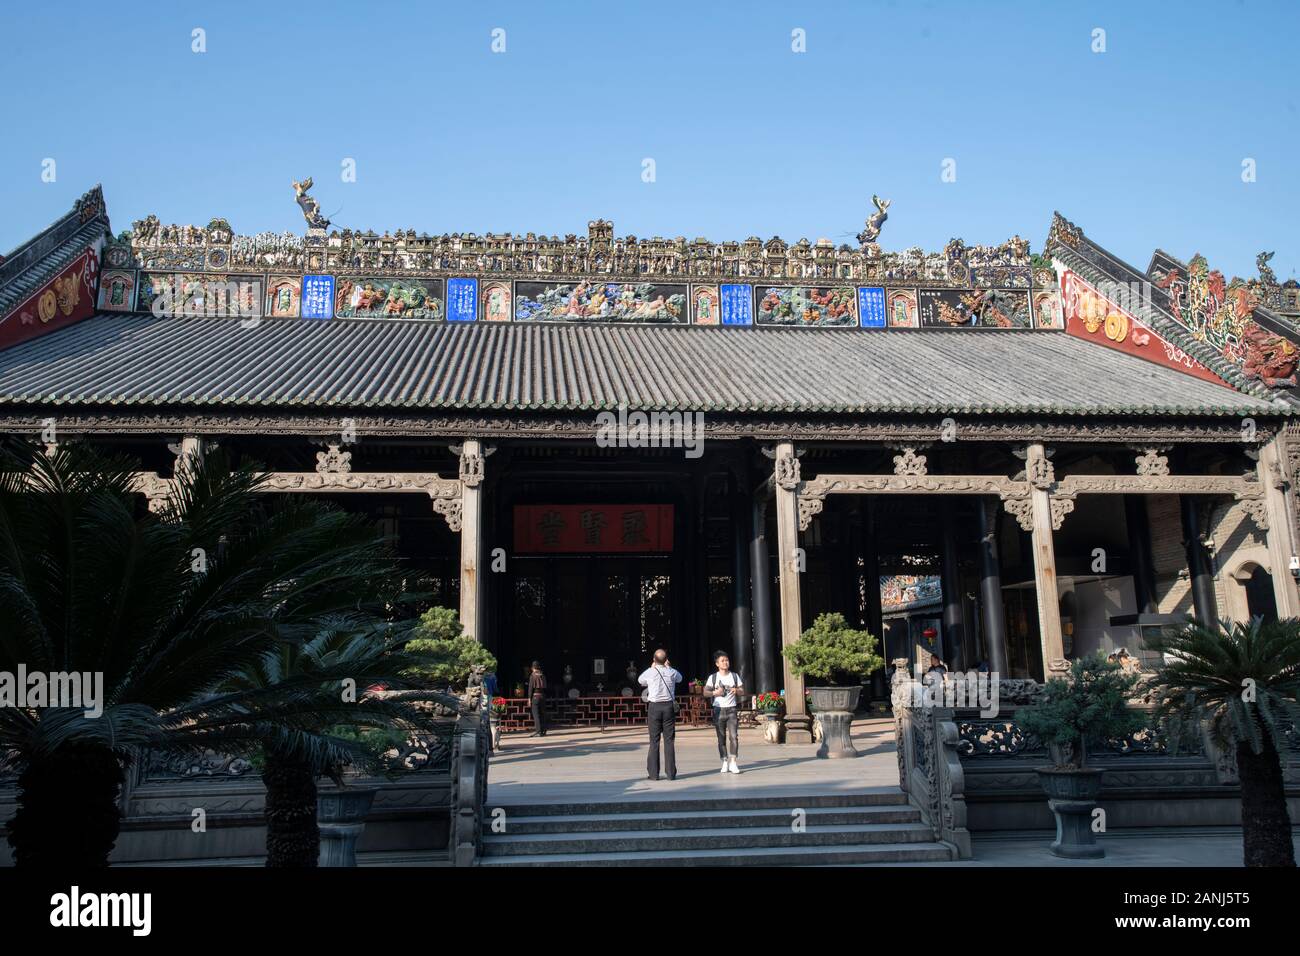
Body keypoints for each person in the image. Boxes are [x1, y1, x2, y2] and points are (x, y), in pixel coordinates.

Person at [638, 649, 681, 780]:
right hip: (668, 706)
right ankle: (670, 773)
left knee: (654, 740)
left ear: (654, 659)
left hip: (654, 707)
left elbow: (640, 681)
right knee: (669, 740)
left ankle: (653, 773)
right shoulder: (672, 672)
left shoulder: (650, 672)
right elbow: (680, 679)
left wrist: (652, 667)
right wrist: (668, 666)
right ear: (666, 659)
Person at [704, 651, 743, 774]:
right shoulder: (713, 677)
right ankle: (724, 761)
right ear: (717, 664)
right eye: (722, 660)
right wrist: (716, 693)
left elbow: (742, 691)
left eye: (727, 660)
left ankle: (733, 762)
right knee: (721, 738)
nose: (725, 662)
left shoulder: (735, 676)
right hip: (718, 710)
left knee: (734, 737)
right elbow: (705, 693)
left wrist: (736, 690)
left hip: (731, 709)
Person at [527, 661, 547, 737]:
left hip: (535, 696)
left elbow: (530, 688)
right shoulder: (543, 675)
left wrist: (529, 698)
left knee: (536, 714)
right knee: (543, 713)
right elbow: (545, 687)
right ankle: (543, 730)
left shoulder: (532, 676)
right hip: (542, 696)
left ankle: (538, 731)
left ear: (533, 668)